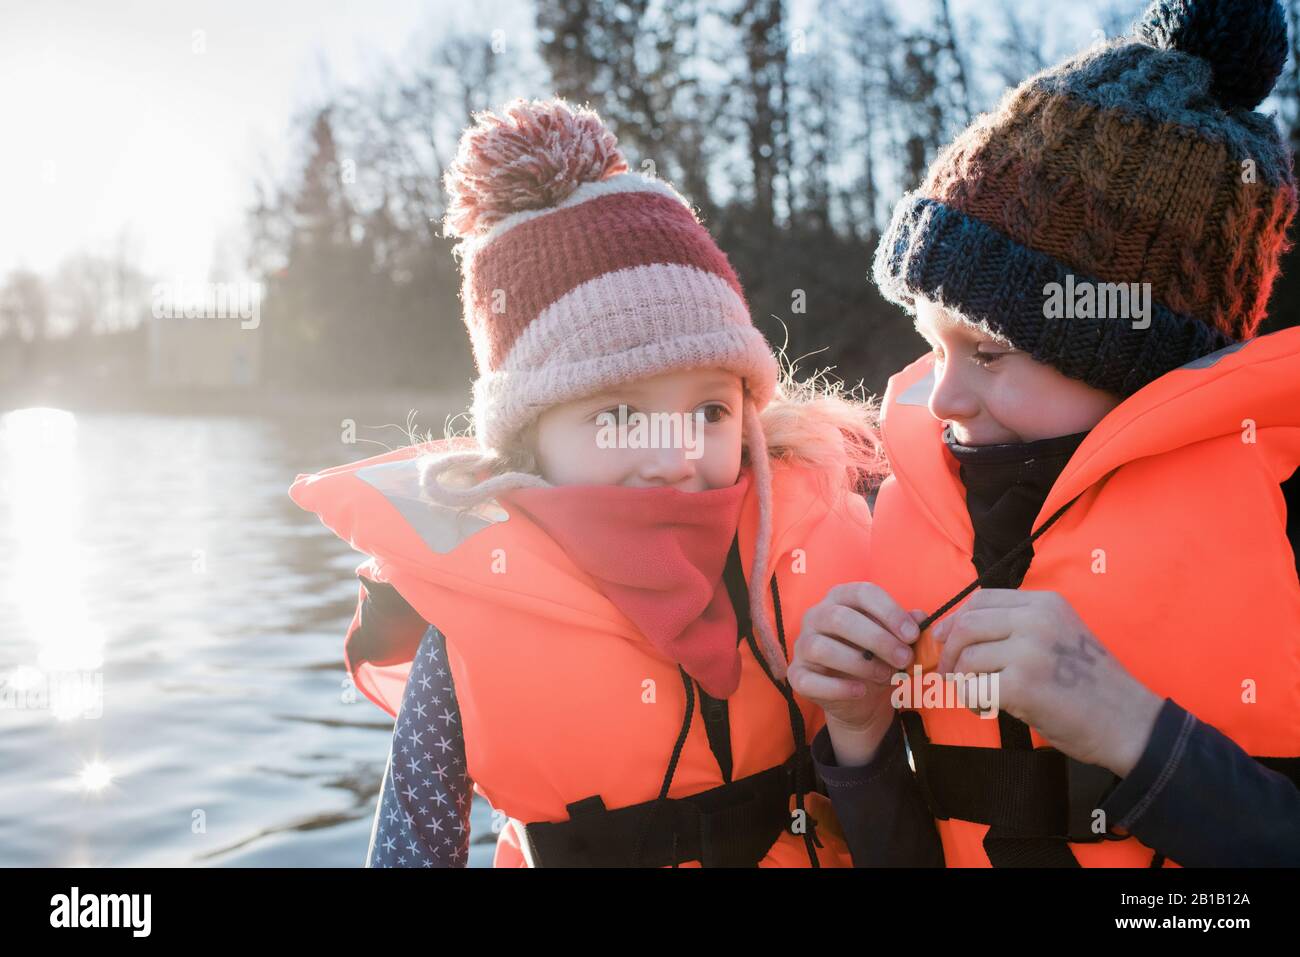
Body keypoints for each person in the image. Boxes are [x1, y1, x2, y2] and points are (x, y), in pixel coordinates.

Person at [289, 97, 887, 867]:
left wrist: (862, 728)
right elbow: (412, 847)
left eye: (709, 408)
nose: (674, 455)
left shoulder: (821, 556)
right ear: (529, 441)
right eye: (617, 415)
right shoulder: (468, 622)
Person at [792, 0, 1300, 867]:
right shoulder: (914, 509)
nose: (941, 397)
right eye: (933, 343)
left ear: (1127, 356)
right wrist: (861, 740)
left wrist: (1137, 734)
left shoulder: (1280, 518)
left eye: (989, 353)